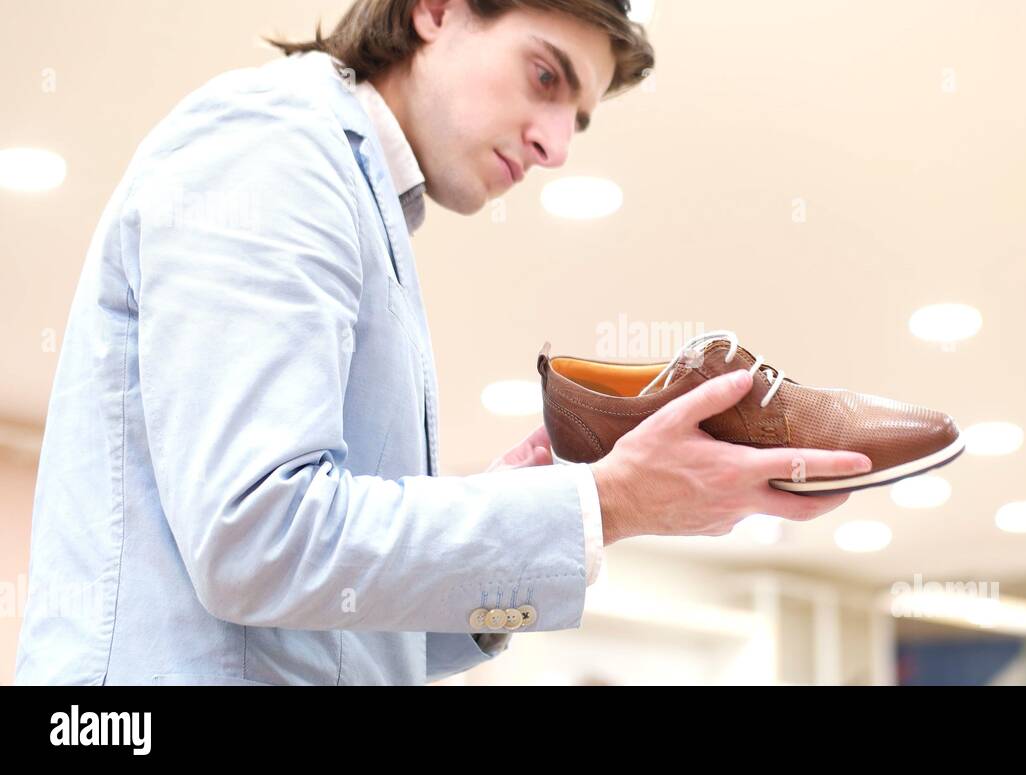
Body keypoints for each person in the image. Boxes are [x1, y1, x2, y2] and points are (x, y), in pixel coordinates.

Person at [15, 0, 869, 685]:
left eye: (577, 115)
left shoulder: (360, 194)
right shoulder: (270, 144)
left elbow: (339, 627)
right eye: (544, 75)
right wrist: (605, 503)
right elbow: (257, 538)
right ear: (435, 10)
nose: (557, 145)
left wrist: (538, 517)